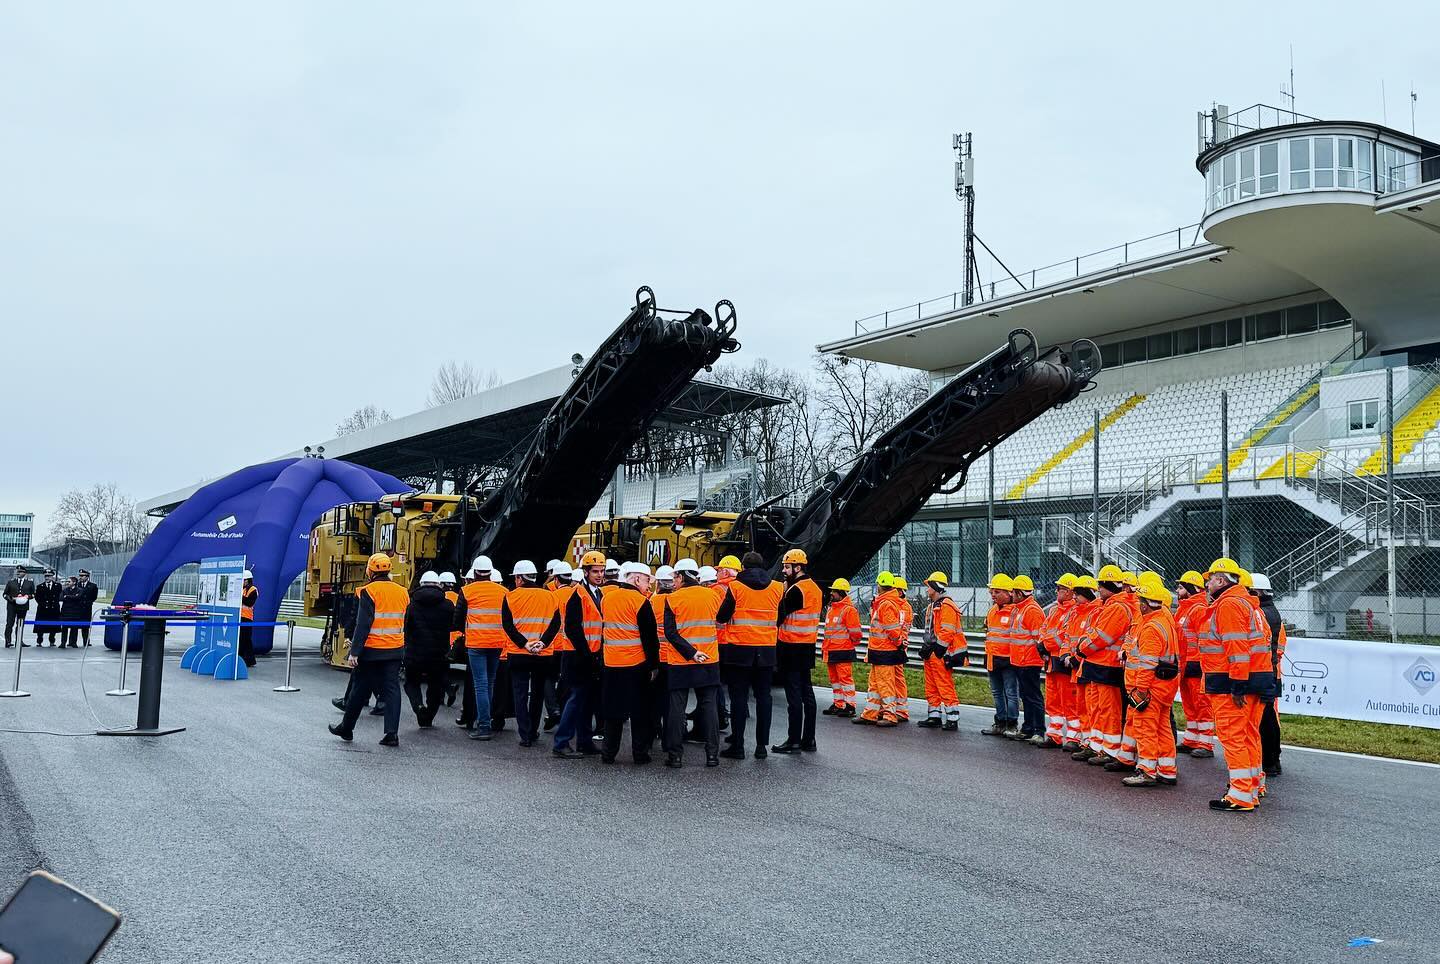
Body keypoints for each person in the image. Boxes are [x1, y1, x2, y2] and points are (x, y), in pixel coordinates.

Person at [1199, 558, 1276, 812]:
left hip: (1232, 680)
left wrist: (1237, 684)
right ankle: (1252, 786)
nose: (1207, 583)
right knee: (1248, 735)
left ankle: (1240, 794)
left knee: (1233, 737)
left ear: (1221, 580)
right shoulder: (1248, 604)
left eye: (1210, 579)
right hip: (1254, 678)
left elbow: (1236, 648)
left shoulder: (1229, 604)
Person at [329, 553, 410, 746]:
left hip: (371, 650)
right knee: (392, 690)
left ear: (370, 570)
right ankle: (391, 733)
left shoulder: (368, 591)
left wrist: (354, 652)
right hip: (395, 649)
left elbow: (363, 624)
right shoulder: (403, 592)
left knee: (359, 689)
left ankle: (347, 728)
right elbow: (405, 621)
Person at [715, 551, 783, 758]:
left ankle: (738, 745)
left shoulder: (735, 587)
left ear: (743, 568)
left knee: (738, 698)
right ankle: (761, 746)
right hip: (766, 650)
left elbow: (722, 616)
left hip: (739, 650)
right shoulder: (777, 587)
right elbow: (780, 616)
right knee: (764, 697)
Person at [659, 558, 721, 767]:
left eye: (674, 577)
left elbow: (670, 633)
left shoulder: (673, 599)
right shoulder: (713, 595)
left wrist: (691, 653)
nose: (673, 582)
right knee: (709, 706)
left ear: (681, 576)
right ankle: (712, 755)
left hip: (681, 660)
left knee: (676, 708)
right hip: (709, 659)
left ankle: (675, 756)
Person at [1120, 577, 1181, 788]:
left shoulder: (1151, 628)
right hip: (1165, 686)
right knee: (1163, 728)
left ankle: (1146, 771)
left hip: (1152, 687)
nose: (1138, 604)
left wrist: (1140, 690)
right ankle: (1167, 770)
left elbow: (1147, 665)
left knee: (1145, 727)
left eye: (1139, 601)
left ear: (1145, 604)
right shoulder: (1165, 622)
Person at [597, 562, 660, 764]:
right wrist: (653, 665)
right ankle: (640, 754)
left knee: (612, 711)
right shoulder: (641, 602)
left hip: (611, 662)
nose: (648, 586)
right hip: (636, 664)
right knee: (639, 711)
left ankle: (608, 753)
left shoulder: (607, 599)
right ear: (636, 579)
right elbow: (650, 637)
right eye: (647, 580)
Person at [500, 560, 562, 748]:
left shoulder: (510, 597)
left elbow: (508, 625)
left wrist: (525, 644)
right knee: (537, 694)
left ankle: (525, 733)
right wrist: (542, 642)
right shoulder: (550, 596)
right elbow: (556, 624)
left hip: (518, 653)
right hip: (543, 654)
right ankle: (534, 730)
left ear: (519, 578)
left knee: (519, 694)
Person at [1075, 565, 1132, 769]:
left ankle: (1110, 749)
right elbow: (1094, 632)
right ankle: (1098, 745)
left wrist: (1082, 649)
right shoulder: (1108, 605)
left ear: (1108, 585)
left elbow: (1102, 636)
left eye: (1100, 585)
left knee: (1109, 710)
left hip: (1108, 665)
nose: (1098, 589)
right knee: (1098, 708)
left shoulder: (1117, 607)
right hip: (1098, 664)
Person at [554, 551, 607, 758]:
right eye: (595, 571)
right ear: (585, 572)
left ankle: (584, 741)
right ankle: (561, 742)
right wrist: (588, 654)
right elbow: (573, 628)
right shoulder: (577, 595)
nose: (599, 575)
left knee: (588, 700)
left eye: (602, 571)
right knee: (576, 699)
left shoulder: (598, 593)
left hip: (591, 655)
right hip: (578, 655)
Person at [454, 555, 508, 741]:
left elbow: (458, 620)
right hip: (497, 643)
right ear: (491, 572)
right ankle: (487, 720)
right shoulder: (503, 591)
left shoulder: (467, 591)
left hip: (476, 644)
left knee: (481, 685)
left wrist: (468, 630)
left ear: (475, 572)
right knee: (490, 683)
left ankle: (484, 725)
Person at [773, 548, 821, 754]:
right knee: (807, 694)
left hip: (790, 646)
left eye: (787, 567)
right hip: (807, 646)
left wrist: (783, 592)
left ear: (798, 567)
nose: (784, 570)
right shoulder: (815, 589)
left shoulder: (795, 590)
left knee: (794, 697)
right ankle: (808, 739)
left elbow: (778, 616)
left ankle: (793, 740)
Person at [855, 571, 907, 727]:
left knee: (885, 684)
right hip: (879, 650)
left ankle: (890, 715)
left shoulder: (886, 604)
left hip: (885, 651)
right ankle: (870, 714)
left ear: (880, 586)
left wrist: (898, 643)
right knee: (875, 684)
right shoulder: (884, 602)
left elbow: (893, 630)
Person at [402, 571, 454, 727]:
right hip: (439, 654)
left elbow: (406, 628)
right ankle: (429, 716)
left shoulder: (412, 605)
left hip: (415, 653)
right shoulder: (448, 605)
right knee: (436, 685)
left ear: (421, 585)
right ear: (438, 585)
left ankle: (418, 706)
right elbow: (453, 625)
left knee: (411, 682)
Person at [1173, 570, 1215, 759]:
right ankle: (1191, 739)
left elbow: (1204, 638)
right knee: (1189, 703)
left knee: (1201, 704)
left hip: (1196, 663)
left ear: (1192, 589)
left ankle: (1206, 743)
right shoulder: (1184, 608)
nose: (1177, 590)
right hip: (1185, 663)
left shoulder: (1198, 608)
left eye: (1181, 587)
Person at [917, 571, 963, 731]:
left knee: (944, 685)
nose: (926, 590)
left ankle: (952, 719)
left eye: (928, 587)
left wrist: (937, 650)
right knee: (931, 686)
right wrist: (926, 647)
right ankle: (934, 716)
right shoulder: (932, 606)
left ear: (936, 587)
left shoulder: (947, 606)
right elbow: (931, 631)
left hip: (940, 653)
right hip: (932, 652)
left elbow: (947, 631)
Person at [1250, 572, 1285, 778]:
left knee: (1265, 717)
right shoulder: (1269, 610)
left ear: (1257, 592)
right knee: (1268, 715)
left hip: (1265, 670)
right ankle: (1272, 759)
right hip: (1270, 670)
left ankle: (1270, 760)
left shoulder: (1262, 612)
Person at [1037, 574, 1078, 748]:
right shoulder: (1054, 610)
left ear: (1069, 592)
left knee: (1068, 700)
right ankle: (1054, 734)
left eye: (1060, 588)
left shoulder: (1073, 611)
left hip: (1061, 661)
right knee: (1052, 700)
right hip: (1051, 661)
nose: (1056, 591)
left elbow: (1062, 635)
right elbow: (1044, 629)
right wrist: (1042, 645)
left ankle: (1074, 737)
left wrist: (1044, 644)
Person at [1063, 576, 1101, 756]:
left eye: (1078, 594)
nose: (1074, 597)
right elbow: (1066, 637)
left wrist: (1076, 657)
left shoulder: (1097, 612)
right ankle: (1085, 741)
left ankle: (1092, 743)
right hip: (1076, 666)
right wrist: (1066, 655)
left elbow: (1093, 641)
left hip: (1088, 665)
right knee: (1081, 706)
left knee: (1092, 707)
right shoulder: (1075, 613)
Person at [1009, 574, 1047, 744]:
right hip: (1020, 661)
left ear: (1019, 593)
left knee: (1033, 696)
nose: (1011, 595)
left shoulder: (1031, 610)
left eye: (1013, 592)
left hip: (1029, 661)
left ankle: (1038, 730)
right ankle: (1028, 728)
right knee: (1026, 696)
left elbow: (1040, 638)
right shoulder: (1020, 608)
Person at [980, 574, 1019, 737]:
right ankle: (1000, 722)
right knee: (997, 692)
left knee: (1011, 692)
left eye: (996, 592)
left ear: (1009, 593)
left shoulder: (1015, 612)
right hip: (992, 658)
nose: (993, 595)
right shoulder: (992, 611)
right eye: (991, 592)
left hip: (1009, 659)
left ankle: (1012, 724)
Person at [821, 578, 861, 717]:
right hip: (831, 650)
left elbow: (856, 633)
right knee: (835, 680)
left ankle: (850, 706)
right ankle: (839, 704)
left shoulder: (849, 610)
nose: (831, 593)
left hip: (843, 650)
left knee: (845, 680)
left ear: (841, 593)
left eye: (834, 591)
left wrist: (850, 644)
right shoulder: (832, 609)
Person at [4, 565, 35, 648]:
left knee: (20, 624)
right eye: (17, 571)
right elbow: (5, 594)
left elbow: (33, 594)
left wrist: (28, 596)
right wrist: (12, 599)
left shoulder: (30, 583)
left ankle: (19, 641)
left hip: (23, 606)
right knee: (9, 624)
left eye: (20, 571)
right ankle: (8, 641)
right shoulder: (11, 582)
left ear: (25, 573)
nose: (18, 573)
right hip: (12, 606)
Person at [34, 569, 63, 646]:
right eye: (46, 576)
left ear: (52, 577)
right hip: (43, 609)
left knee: (53, 626)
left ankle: (52, 641)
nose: (47, 578)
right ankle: (39, 641)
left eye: (49, 576)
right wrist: (43, 604)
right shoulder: (40, 586)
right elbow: (37, 598)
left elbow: (59, 596)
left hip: (54, 609)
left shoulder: (58, 586)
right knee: (41, 627)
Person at [238, 569, 259, 668]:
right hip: (240, 617)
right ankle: (245, 659)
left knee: (245, 639)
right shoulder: (242, 589)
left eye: (243, 580)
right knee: (242, 640)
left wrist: (240, 597)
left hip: (247, 618)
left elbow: (249, 602)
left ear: (247, 580)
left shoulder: (253, 590)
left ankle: (248, 660)